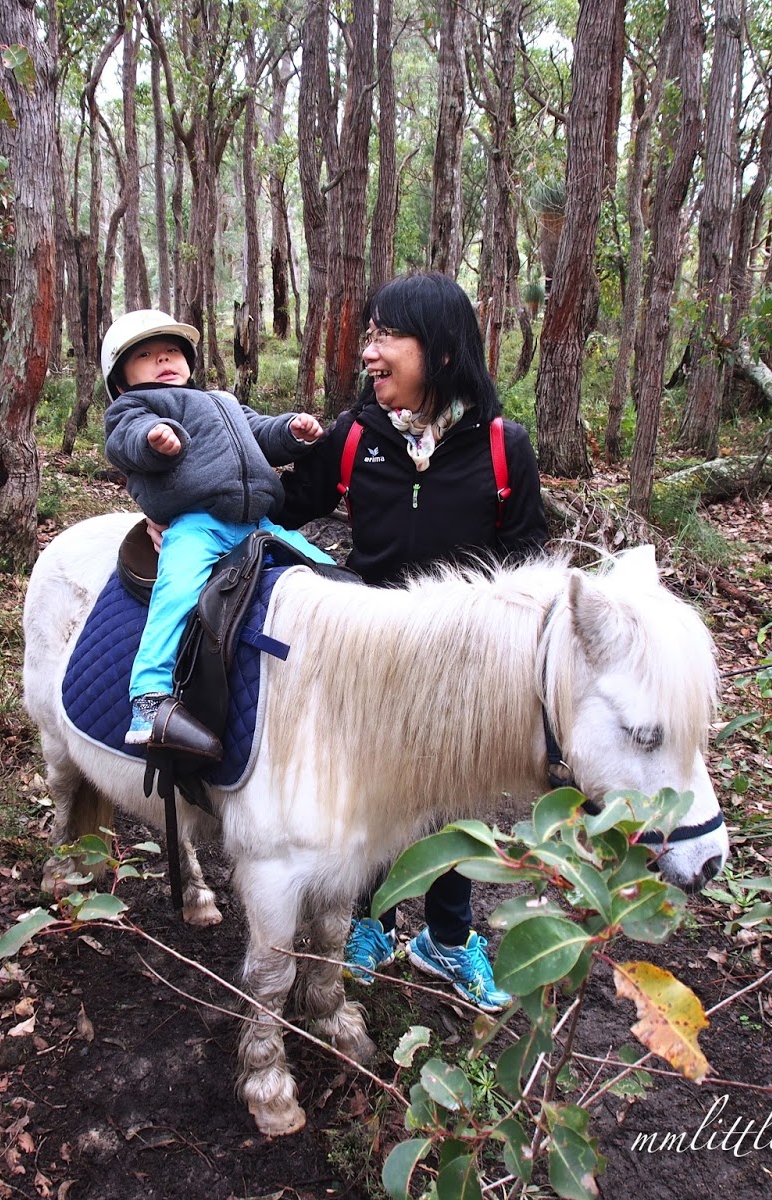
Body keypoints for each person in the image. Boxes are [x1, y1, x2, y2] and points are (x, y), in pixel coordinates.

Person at [278, 272, 549, 1011]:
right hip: (372, 660)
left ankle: (449, 938)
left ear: (441, 348)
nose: (369, 352)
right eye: (369, 335)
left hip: (465, 669)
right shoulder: (357, 436)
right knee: (374, 797)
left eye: (387, 335)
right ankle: (370, 922)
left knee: (453, 803)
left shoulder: (502, 448)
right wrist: (188, 497)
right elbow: (286, 501)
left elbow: (528, 565)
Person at [101, 308, 333, 759]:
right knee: (178, 592)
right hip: (198, 524)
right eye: (145, 355)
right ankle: (148, 699)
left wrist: (291, 430)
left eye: (171, 351)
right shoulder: (135, 407)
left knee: (324, 567)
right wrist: (154, 439)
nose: (163, 359)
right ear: (122, 381)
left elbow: (260, 431)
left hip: (259, 524)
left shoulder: (222, 401)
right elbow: (124, 438)